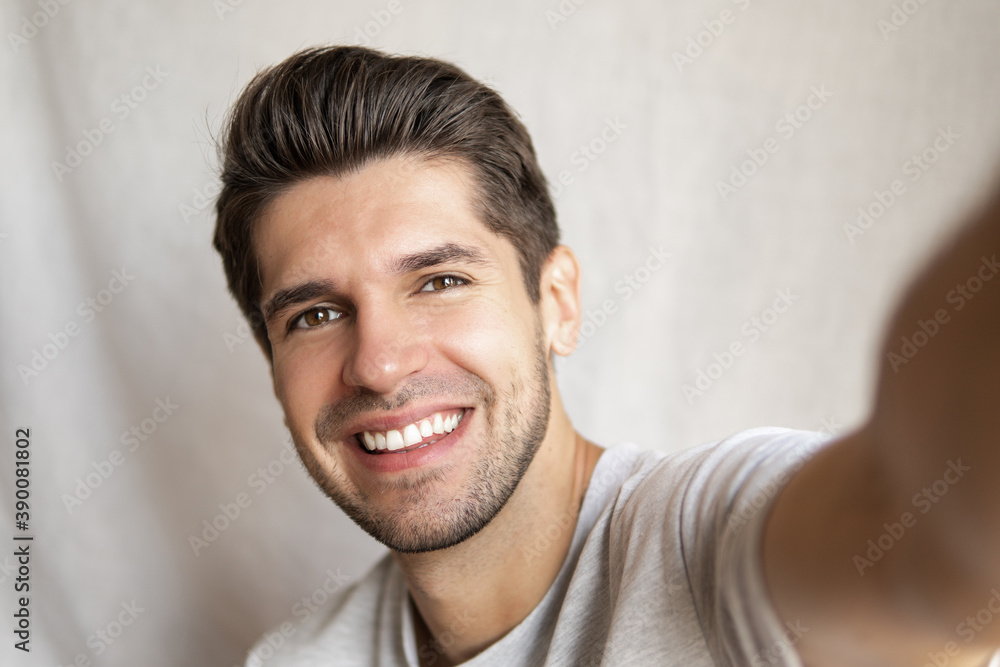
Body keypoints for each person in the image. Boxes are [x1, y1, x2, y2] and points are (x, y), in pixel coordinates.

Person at [212, 46, 1000, 666]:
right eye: (315, 314)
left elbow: (928, 527)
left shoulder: (707, 546)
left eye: (440, 280)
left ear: (556, 301)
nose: (379, 363)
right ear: (271, 362)